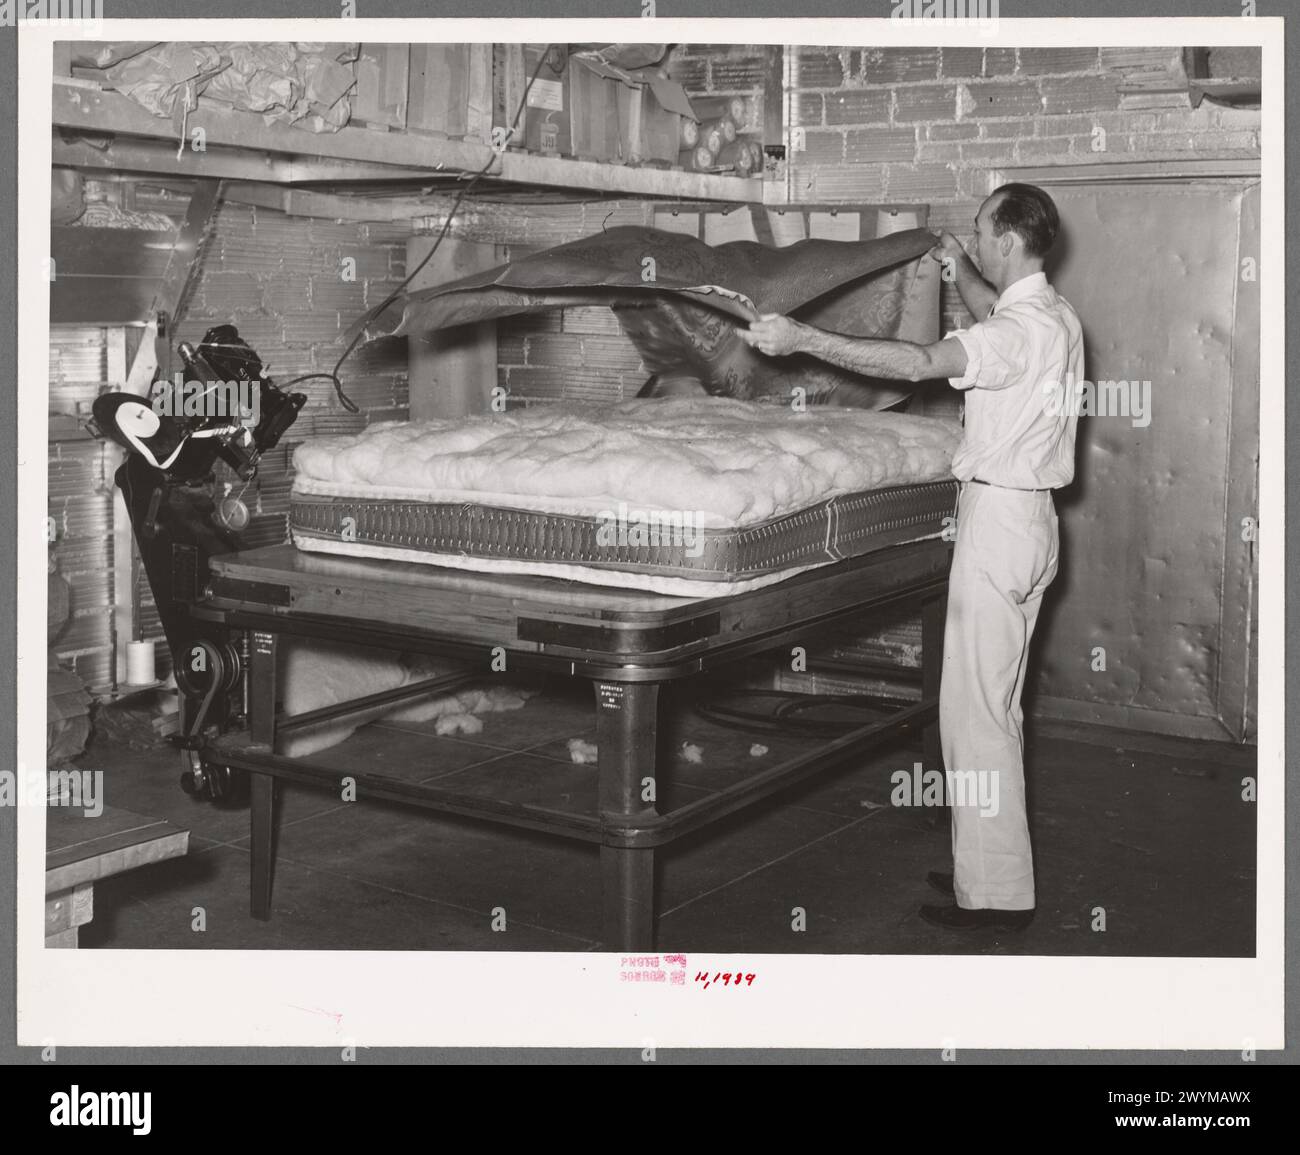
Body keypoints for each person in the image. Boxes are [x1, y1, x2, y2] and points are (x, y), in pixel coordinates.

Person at [737, 183, 1084, 932]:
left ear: (1010, 239)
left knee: (975, 718)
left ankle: (993, 899)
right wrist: (956, 268)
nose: (977, 241)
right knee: (997, 709)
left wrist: (804, 341)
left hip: (998, 523)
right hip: (1033, 523)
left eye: (981, 233)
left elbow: (924, 362)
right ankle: (987, 870)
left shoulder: (1012, 334)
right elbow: (994, 309)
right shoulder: (1052, 316)